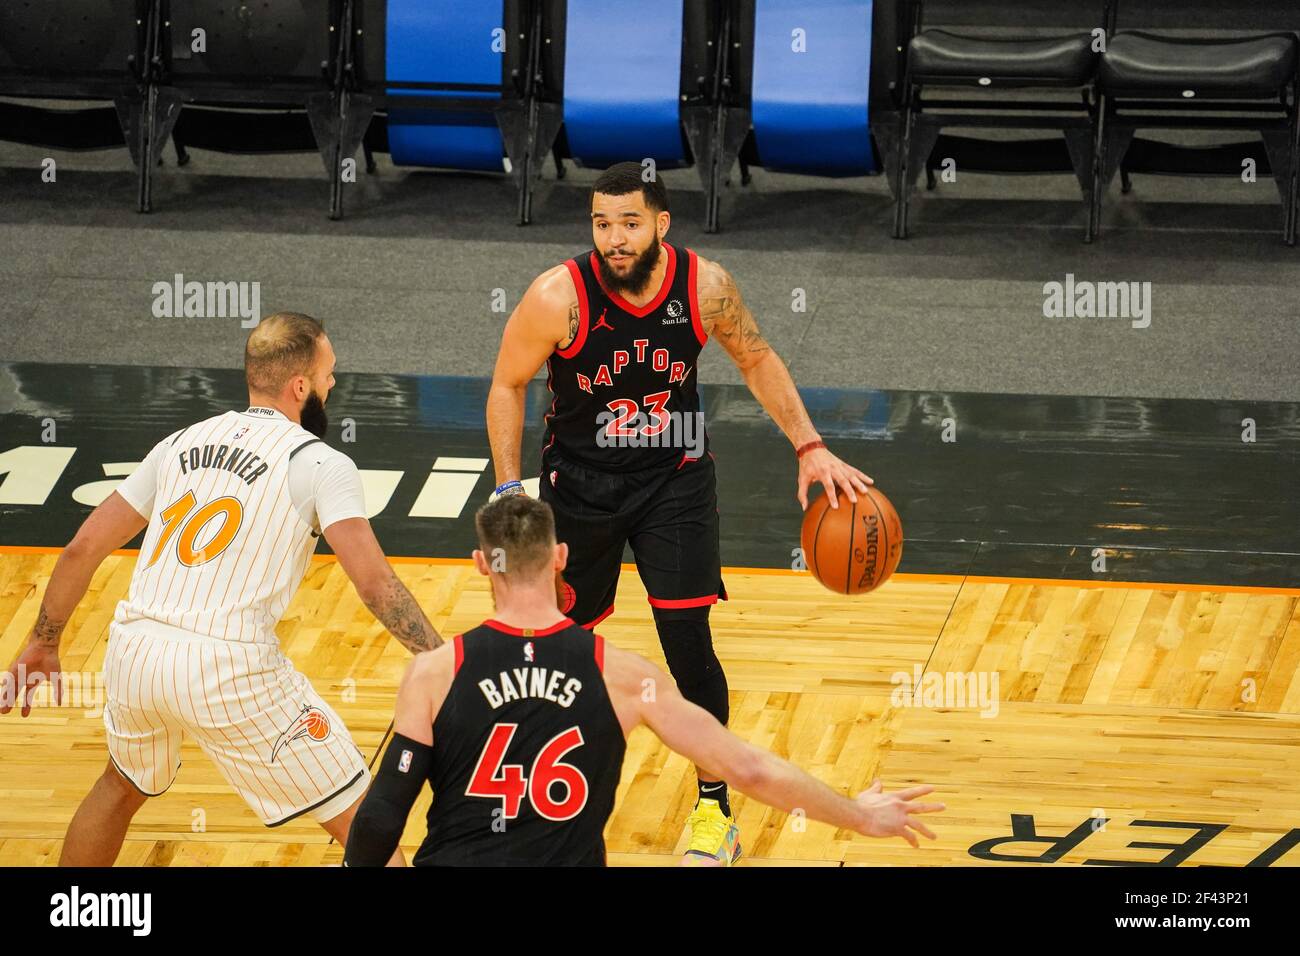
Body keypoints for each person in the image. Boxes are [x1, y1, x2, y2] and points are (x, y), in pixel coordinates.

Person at [485, 161, 873, 863]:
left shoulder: (706, 286)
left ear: (662, 224)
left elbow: (757, 360)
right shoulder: (556, 297)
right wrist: (513, 491)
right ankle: (550, 804)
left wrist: (809, 446)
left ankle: (714, 811)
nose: (614, 238)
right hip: (580, 488)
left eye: (629, 222)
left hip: (676, 479)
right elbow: (507, 385)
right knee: (561, 651)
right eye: (602, 224)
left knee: (689, 648)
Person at [1, 312, 441, 866]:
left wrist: (44, 639)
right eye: (328, 374)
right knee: (360, 816)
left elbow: (82, 548)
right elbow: (376, 584)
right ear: (299, 386)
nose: (333, 384)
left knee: (120, 785)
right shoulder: (322, 463)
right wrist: (441, 660)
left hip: (136, 650)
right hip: (228, 667)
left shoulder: (181, 441)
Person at [343, 497, 942, 867]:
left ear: (481, 563)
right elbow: (750, 771)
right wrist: (861, 816)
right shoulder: (626, 677)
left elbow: (377, 823)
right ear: (559, 558)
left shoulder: (433, 673)